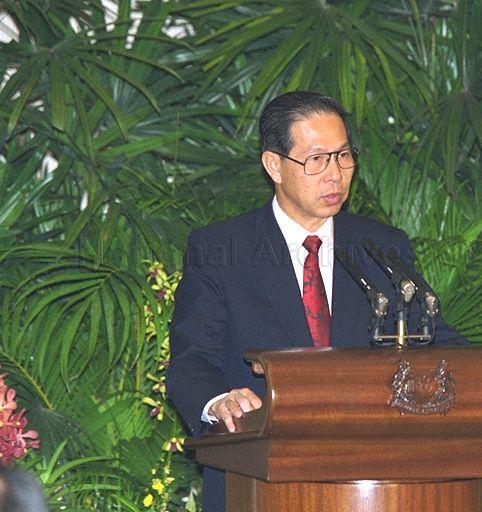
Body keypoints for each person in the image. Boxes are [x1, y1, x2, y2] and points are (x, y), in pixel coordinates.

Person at [166, 91, 465, 511]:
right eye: (316, 160)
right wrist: (220, 401)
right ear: (274, 165)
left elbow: (439, 342)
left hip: (376, 485)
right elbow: (191, 360)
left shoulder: (380, 246)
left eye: (344, 156)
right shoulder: (222, 250)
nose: (335, 175)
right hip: (258, 481)